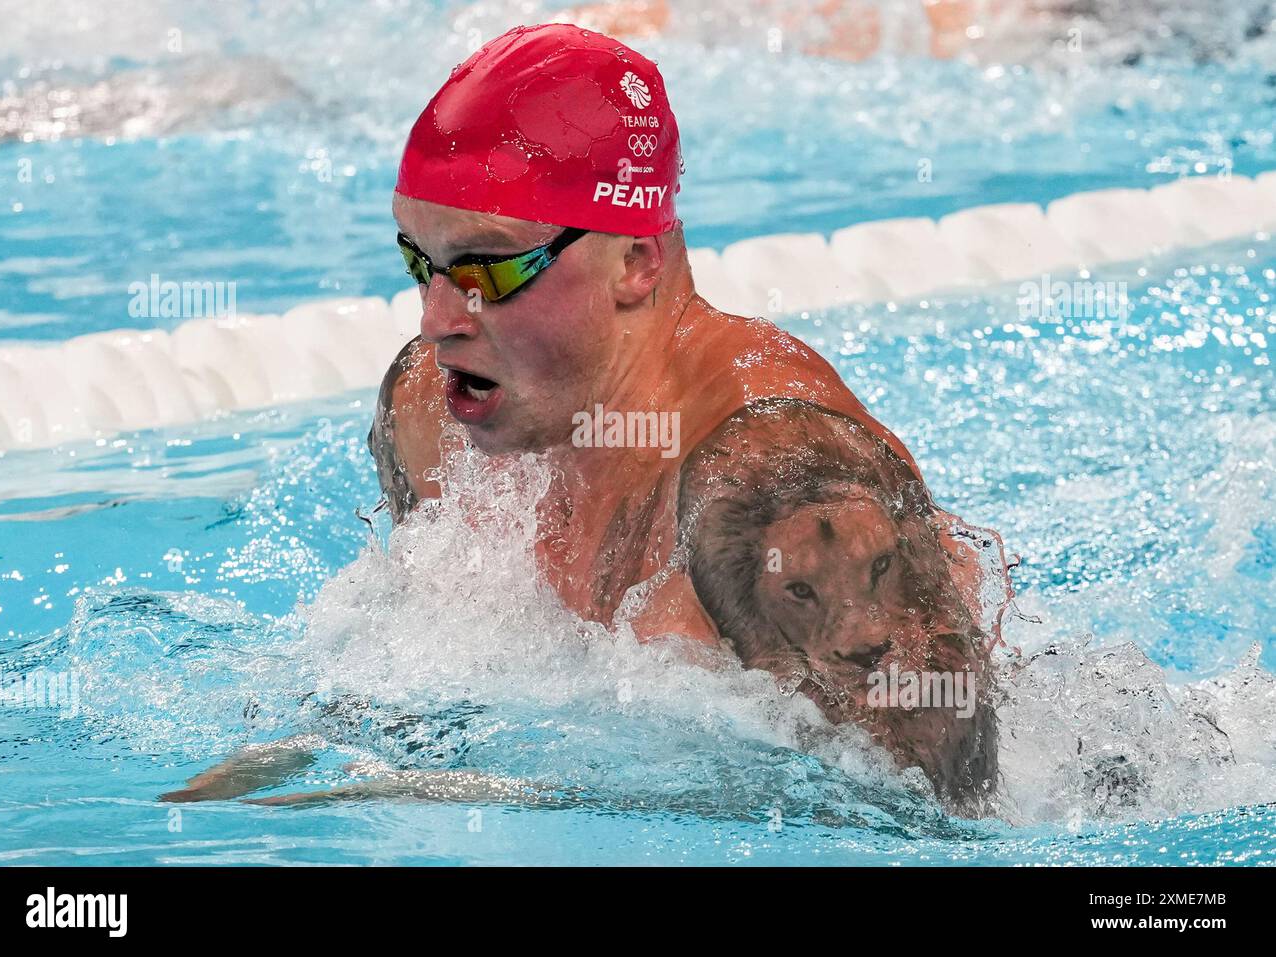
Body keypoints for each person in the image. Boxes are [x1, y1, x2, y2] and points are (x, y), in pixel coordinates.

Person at [167, 22, 1011, 811]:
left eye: (488, 270)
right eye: (419, 259)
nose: (437, 317)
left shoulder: (777, 485)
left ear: (635, 261)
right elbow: (415, 680)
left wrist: (484, 787)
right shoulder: (435, 409)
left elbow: (945, 814)